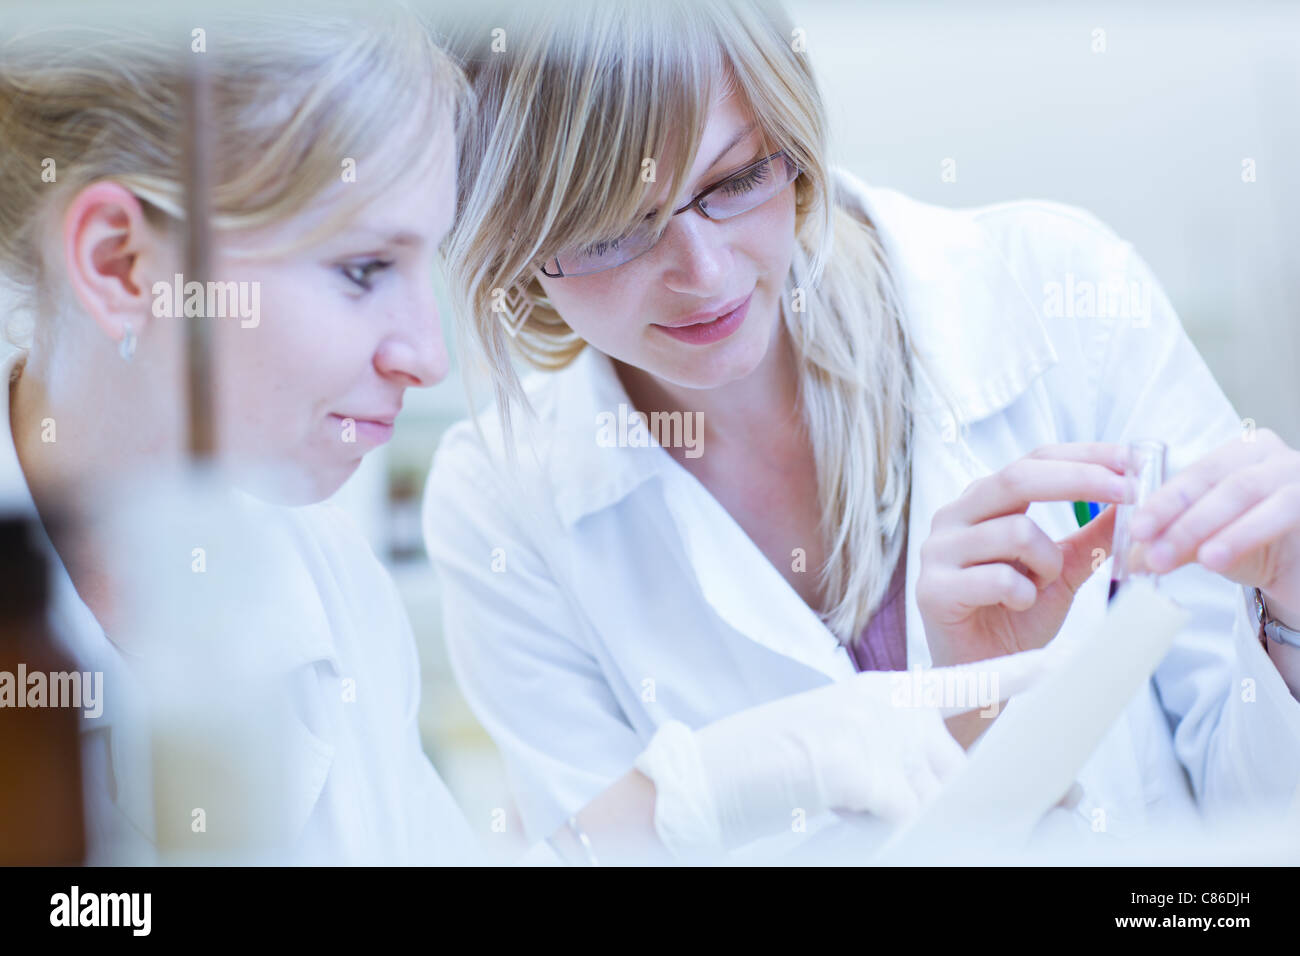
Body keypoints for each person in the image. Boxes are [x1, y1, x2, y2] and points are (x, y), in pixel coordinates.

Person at [1, 2, 1009, 867]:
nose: (425, 357)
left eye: (424, 265)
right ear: (124, 264)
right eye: (361, 269)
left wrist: (694, 790)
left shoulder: (319, 588)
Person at [425, 0, 1300, 858]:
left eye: (733, 182)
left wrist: (1291, 614)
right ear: (509, 239)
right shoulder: (500, 501)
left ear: (791, 138)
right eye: (612, 232)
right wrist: (964, 728)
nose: (703, 272)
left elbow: (1257, 832)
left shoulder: (1062, 300)